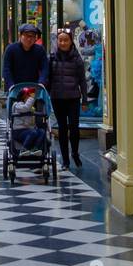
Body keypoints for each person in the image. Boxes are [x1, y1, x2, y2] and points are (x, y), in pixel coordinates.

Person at [48, 29, 90, 169]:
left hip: (73, 98)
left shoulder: (77, 58)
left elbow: (82, 81)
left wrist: (85, 100)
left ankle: (75, 153)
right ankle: (65, 160)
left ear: (71, 41)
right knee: (62, 128)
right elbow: (48, 78)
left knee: (74, 127)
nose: (63, 42)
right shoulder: (52, 58)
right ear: (57, 41)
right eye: (60, 40)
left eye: (66, 40)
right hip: (57, 98)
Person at [3, 23, 49, 90]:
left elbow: (45, 68)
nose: (29, 39)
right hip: (15, 86)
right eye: (27, 36)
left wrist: (41, 82)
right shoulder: (11, 49)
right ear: (20, 36)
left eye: (33, 36)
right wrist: (11, 85)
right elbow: (6, 69)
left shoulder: (40, 50)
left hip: (34, 87)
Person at [10, 86, 47, 150]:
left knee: (42, 131)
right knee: (33, 132)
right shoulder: (17, 105)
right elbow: (25, 108)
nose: (30, 97)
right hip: (19, 130)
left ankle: (35, 148)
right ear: (23, 96)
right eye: (28, 95)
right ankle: (24, 149)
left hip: (29, 129)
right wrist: (32, 98)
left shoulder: (31, 108)